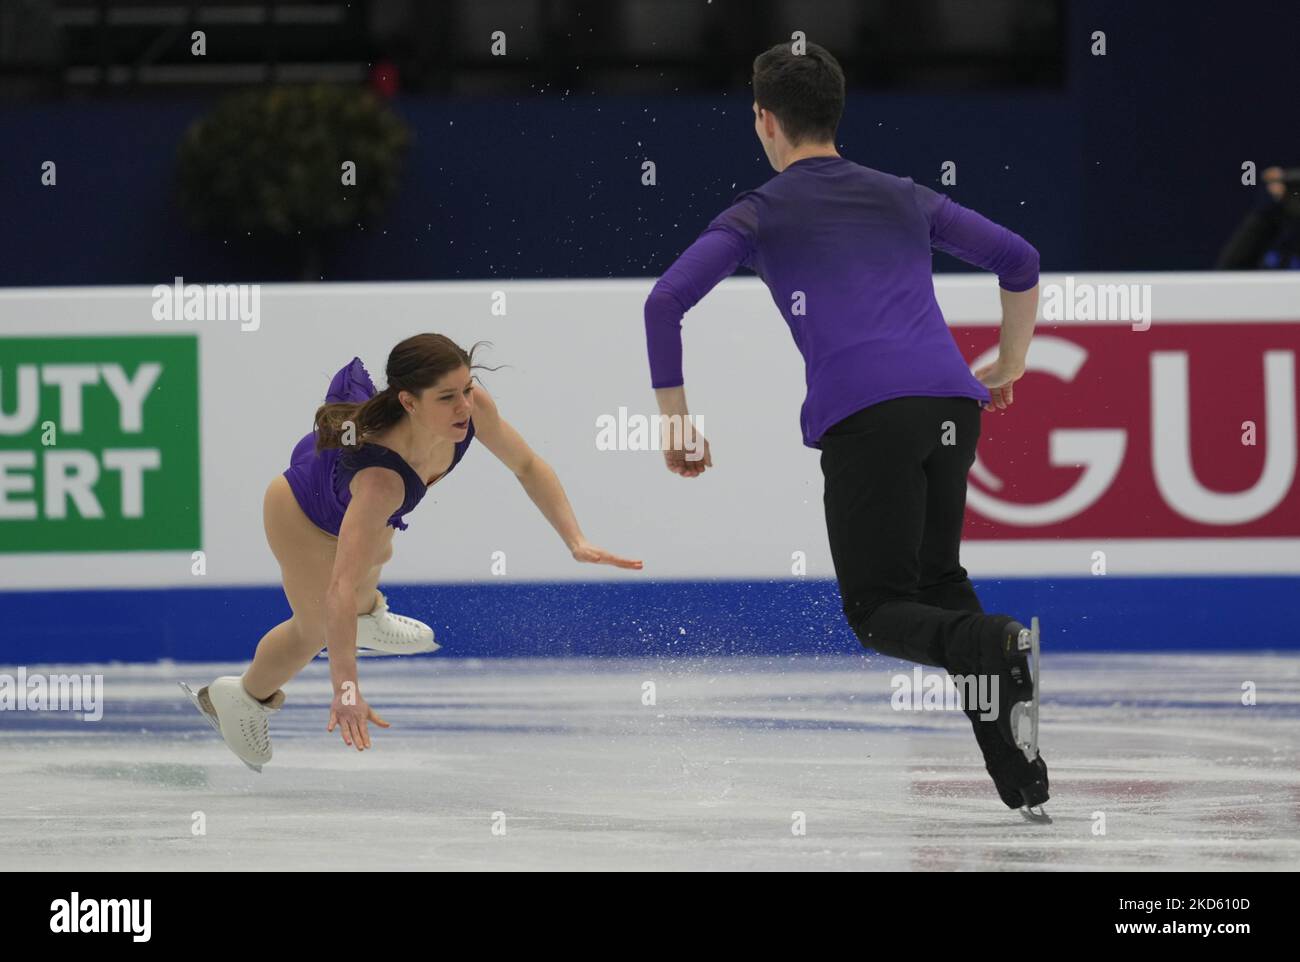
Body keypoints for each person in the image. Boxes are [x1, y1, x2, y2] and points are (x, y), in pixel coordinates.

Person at [642, 42, 1048, 817]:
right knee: (940, 587)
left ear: (764, 120)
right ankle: (1023, 782)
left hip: (869, 414)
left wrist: (676, 425)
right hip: (951, 406)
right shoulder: (903, 195)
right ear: (837, 112)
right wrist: (1008, 363)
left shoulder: (757, 212)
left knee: (876, 610)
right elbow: (1020, 258)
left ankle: (994, 644)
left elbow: (665, 302)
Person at [183, 333, 641, 770]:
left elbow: (526, 464)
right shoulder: (380, 483)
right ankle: (241, 698)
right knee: (317, 626)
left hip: (356, 498)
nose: (464, 405)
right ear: (409, 401)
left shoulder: (471, 408)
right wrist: (346, 689)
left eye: (466, 387)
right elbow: (340, 587)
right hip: (303, 513)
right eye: (446, 397)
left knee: (376, 554)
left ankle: (368, 615)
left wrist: (575, 540)